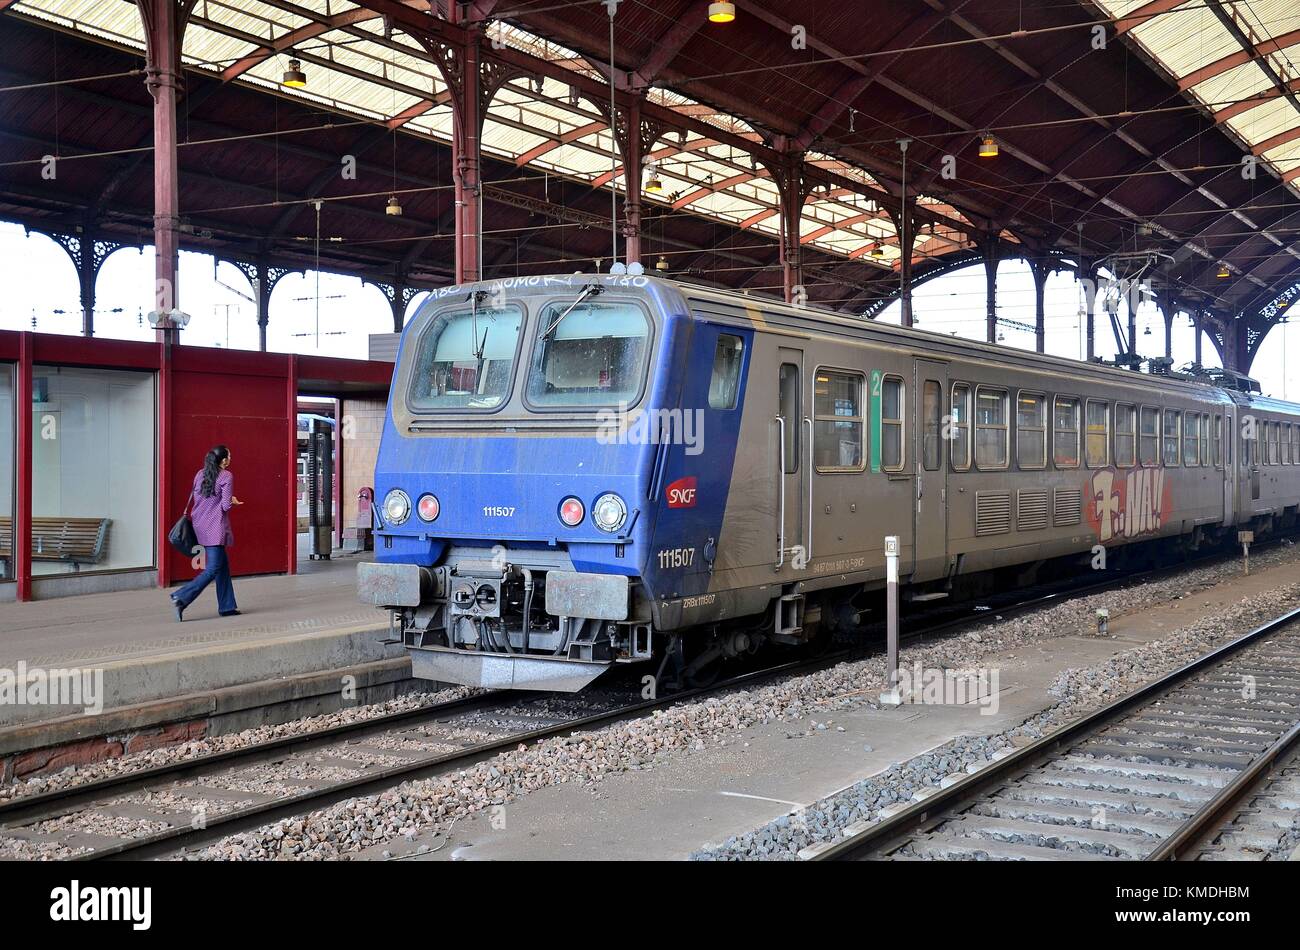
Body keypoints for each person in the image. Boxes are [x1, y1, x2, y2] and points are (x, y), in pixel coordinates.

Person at [171, 444, 244, 621]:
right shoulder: (226, 475)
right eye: (230, 456)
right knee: (212, 569)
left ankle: (227, 607)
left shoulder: (200, 474)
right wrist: (232, 501)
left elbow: (199, 497)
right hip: (215, 527)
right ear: (224, 461)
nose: (231, 459)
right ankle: (182, 596)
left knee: (222, 566)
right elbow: (225, 505)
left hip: (199, 525)